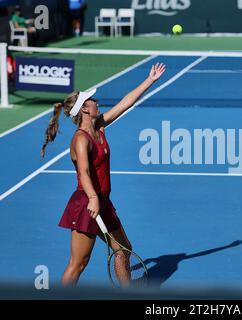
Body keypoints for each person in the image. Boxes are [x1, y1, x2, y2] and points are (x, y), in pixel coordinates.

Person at [41, 63, 166, 287]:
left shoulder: (99, 127)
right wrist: (93, 198)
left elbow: (125, 104)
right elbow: (84, 171)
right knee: (78, 263)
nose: (97, 102)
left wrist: (150, 80)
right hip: (87, 205)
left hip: (103, 202)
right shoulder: (80, 139)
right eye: (92, 101)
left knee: (124, 250)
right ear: (84, 109)